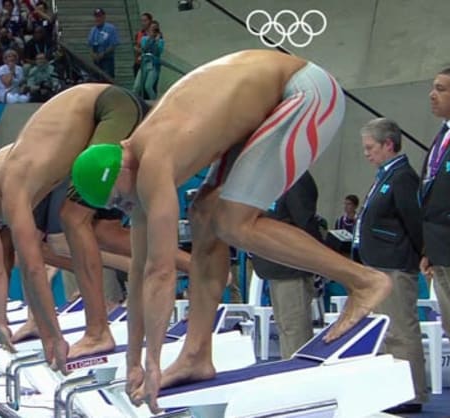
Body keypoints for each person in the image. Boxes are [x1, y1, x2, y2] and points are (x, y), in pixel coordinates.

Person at [69, 50, 392, 413]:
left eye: (118, 200)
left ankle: (363, 280)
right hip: (266, 104)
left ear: (121, 172)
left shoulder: (153, 161)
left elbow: (161, 273)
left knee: (231, 221)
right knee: (205, 214)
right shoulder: (134, 161)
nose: (124, 209)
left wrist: (153, 364)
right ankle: (196, 355)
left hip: (305, 93)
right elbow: (142, 268)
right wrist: (133, 362)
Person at [0, 84, 191, 364]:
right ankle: (195, 267)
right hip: (91, 122)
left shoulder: (12, 185)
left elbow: (27, 268)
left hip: (110, 108)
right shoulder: (6, 188)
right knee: (100, 231)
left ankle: (98, 331)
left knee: (73, 217)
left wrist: (52, 337)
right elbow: (28, 260)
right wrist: (41, 326)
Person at [356, 117, 427, 411]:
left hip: (395, 264)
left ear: (388, 144)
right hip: (379, 265)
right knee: (387, 332)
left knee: (400, 329)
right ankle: (394, 390)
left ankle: (411, 393)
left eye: (370, 147)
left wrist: (422, 254)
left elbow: (415, 221)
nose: (366, 153)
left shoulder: (402, 177)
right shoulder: (385, 175)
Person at [419, 67, 450, 395]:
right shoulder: (443, 135)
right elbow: (433, 194)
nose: (433, 95)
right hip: (441, 249)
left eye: (440, 89)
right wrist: (427, 250)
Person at [250, 172, 321, 359]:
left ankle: (299, 377)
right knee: (285, 327)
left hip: (291, 266)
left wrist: (318, 260)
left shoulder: (295, 178)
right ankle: (290, 369)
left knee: (294, 328)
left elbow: (305, 222)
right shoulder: (272, 178)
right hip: (274, 262)